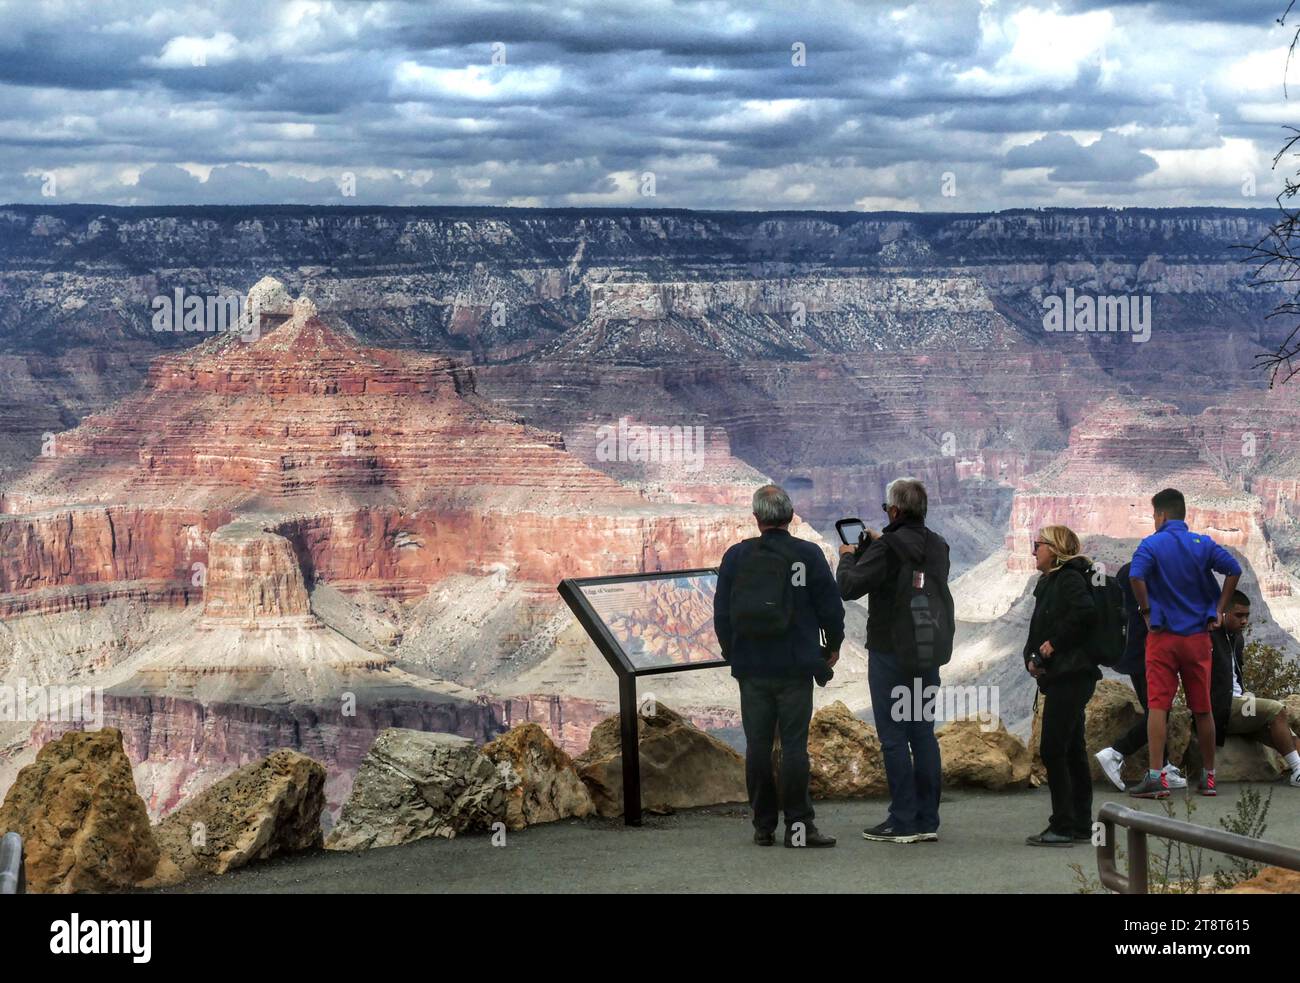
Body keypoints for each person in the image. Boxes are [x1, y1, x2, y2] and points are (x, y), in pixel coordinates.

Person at [714, 484, 845, 848]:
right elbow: (831, 609)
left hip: (752, 667)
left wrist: (732, 652)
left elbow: (722, 612)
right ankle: (800, 828)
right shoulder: (807, 555)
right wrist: (832, 648)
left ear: (756, 519)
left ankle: (763, 826)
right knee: (793, 748)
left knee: (756, 746)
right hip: (795, 667)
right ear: (789, 516)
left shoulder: (736, 557)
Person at [836, 477, 952, 844]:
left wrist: (849, 558)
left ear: (895, 510)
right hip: (927, 651)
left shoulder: (886, 549)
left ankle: (902, 821)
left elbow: (849, 587)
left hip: (890, 653)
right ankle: (927, 820)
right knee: (922, 733)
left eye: (888, 509)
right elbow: (911, 560)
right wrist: (879, 542)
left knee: (893, 737)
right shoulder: (940, 546)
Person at [1126, 488, 1241, 798]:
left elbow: (1135, 577)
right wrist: (1219, 608)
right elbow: (1234, 569)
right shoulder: (1202, 543)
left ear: (1161, 515)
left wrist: (1146, 609)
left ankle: (1156, 779)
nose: (1153, 520)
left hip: (1163, 638)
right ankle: (1209, 778)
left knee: (1158, 706)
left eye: (1153, 515)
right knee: (1202, 708)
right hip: (1198, 639)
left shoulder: (1151, 545)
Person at [1022, 525, 1102, 846]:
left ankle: (1063, 825)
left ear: (1054, 549)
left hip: (1071, 677)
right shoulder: (1054, 580)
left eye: (1038, 545)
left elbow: (1085, 612)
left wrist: (1051, 645)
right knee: (1071, 749)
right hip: (1067, 676)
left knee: (1053, 749)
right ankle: (1081, 823)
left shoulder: (1068, 578)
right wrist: (1035, 657)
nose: (1033, 551)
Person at [1093, 561, 1188, 791]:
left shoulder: (1131, 567)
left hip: (1132, 652)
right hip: (1148, 653)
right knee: (1159, 711)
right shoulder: (1151, 570)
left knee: (1152, 708)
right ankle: (1115, 752)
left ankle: (1163, 767)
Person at [1211, 591, 1300, 787]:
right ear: (1223, 613)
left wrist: (1245, 693)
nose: (1244, 621)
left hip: (1240, 704)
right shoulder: (1209, 637)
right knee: (1275, 709)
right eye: (1238, 615)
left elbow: (1237, 675)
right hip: (1223, 708)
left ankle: (1298, 769)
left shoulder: (1237, 639)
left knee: (1287, 732)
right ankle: (1298, 772)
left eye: (1246, 616)